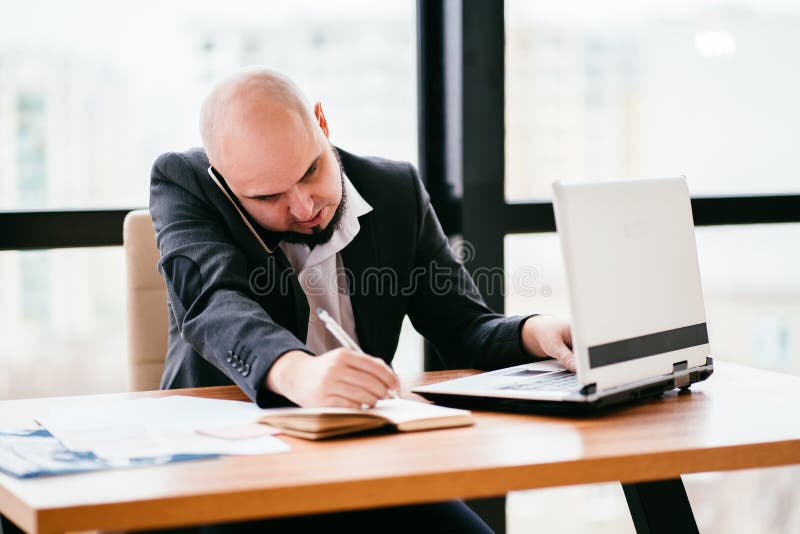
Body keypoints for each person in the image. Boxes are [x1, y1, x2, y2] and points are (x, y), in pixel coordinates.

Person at [149, 66, 575, 533]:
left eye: (311, 171)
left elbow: (463, 326)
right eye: (269, 196)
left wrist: (539, 333)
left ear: (322, 122)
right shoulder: (185, 183)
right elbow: (213, 301)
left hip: (361, 459)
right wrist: (300, 372)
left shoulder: (395, 190)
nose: (305, 207)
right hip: (229, 470)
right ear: (223, 179)